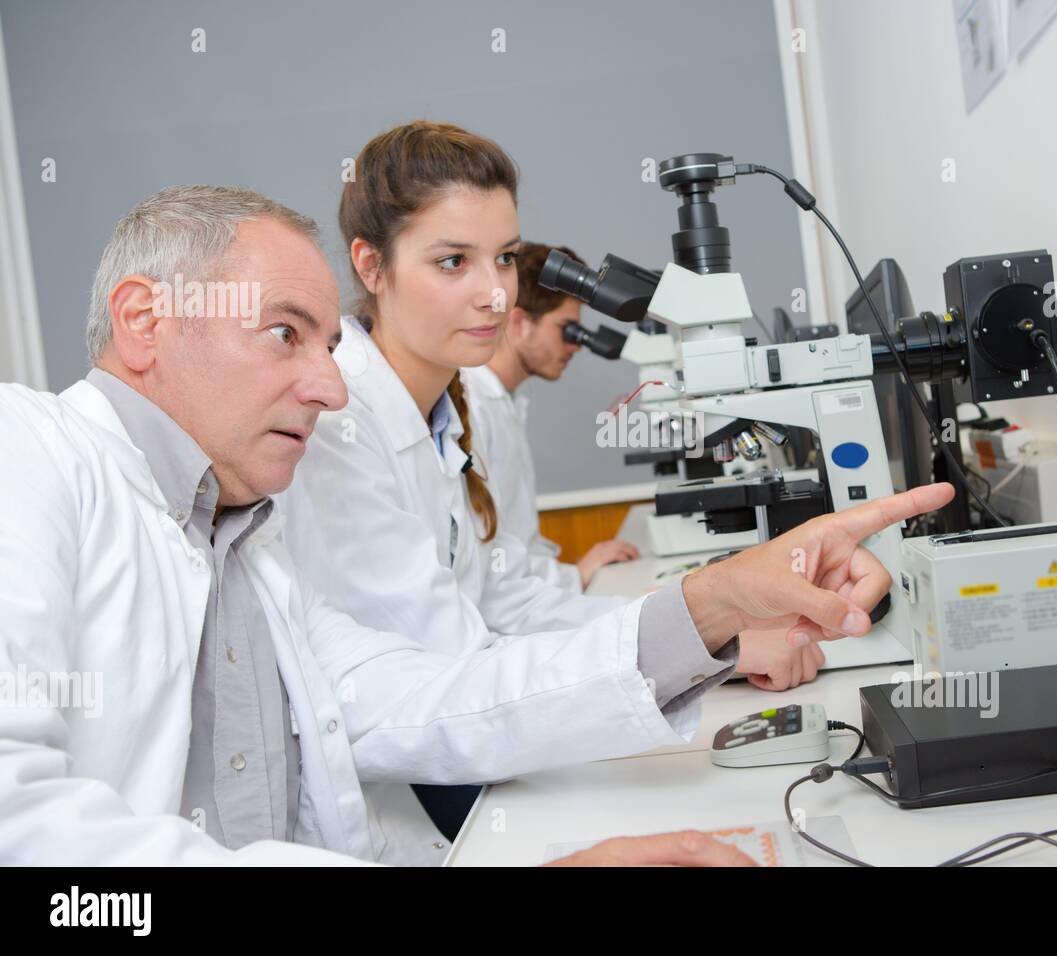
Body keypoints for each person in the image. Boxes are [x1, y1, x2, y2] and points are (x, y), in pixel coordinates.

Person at [0, 183, 953, 865]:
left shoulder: (245, 542)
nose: (331, 387)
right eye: (286, 334)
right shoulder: (29, 457)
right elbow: (30, 836)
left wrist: (708, 607)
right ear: (143, 320)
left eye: (331, 347)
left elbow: (434, 698)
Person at [279, 123, 839, 859]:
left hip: (469, 746)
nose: (494, 293)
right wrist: (703, 633)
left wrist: (704, 640)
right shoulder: (338, 426)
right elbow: (456, 663)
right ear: (371, 265)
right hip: (405, 789)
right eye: (453, 262)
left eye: (505, 258)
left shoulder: (447, 408)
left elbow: (507, 599)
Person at [461, 242, 638, 593]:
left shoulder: (504, 403)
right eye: (567, 330)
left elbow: (516, 540)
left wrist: (569, 574)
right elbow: (487, 556)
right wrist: (574, 576)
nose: (575, 346)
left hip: (528, 601)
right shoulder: (475, 409)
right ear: (519, 322)